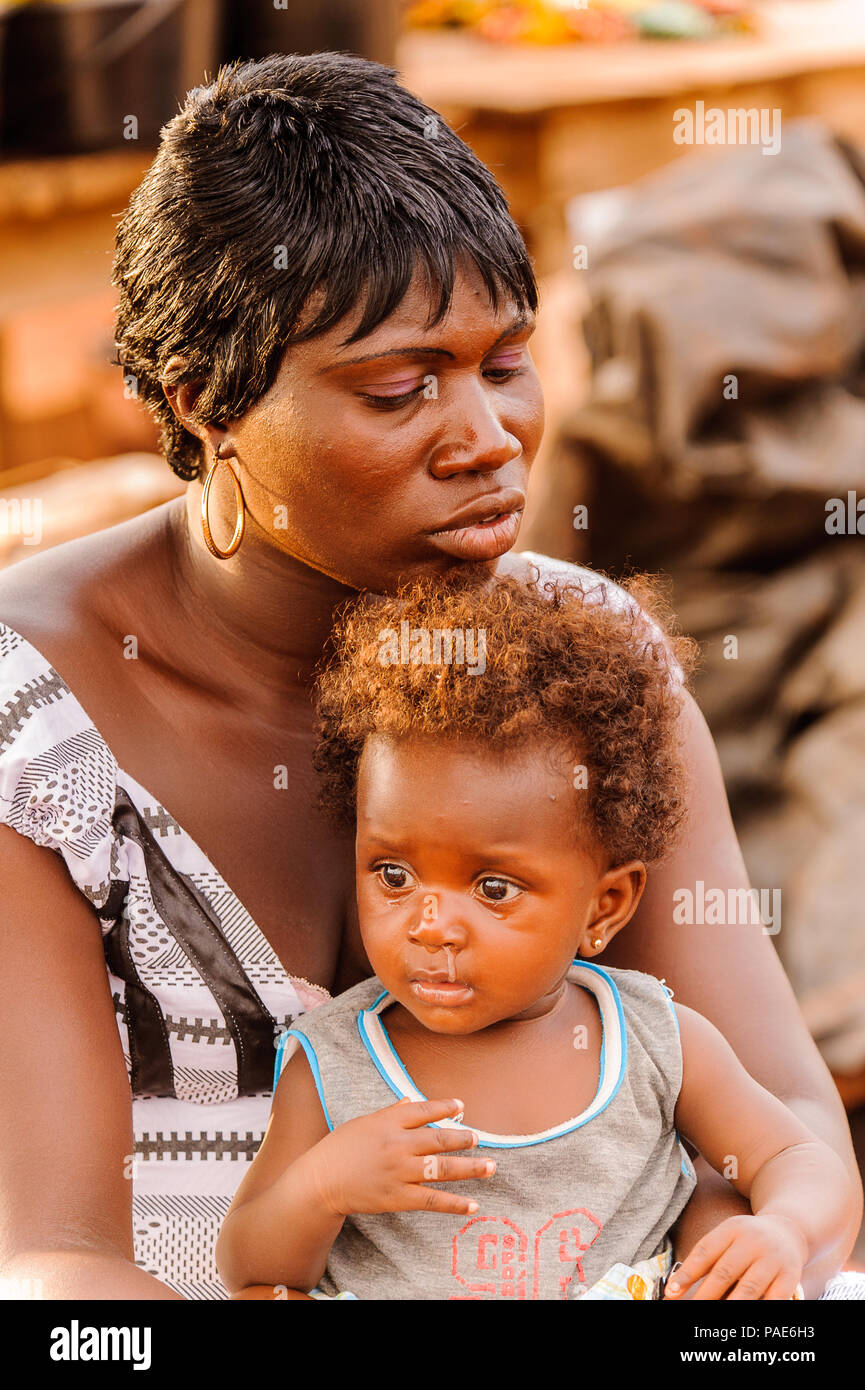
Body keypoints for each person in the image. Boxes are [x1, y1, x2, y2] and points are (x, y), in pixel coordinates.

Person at [0, 52, 859, 1302]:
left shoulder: (585, 666)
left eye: (505, 365)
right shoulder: (34, 718)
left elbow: (784, 1124)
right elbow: (51, 1270)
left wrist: (705, 1263)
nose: (488, 440)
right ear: (205, 409)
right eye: (402, 388)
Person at [215, 574, 854, 1301]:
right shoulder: (335, 1064)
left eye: (493, 889)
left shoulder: (652, 1042)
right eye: (392, 875)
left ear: (603, 908)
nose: (430, 925)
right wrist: (321, 1187)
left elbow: (795, 1157)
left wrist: (785, 1232)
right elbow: (252, 1270)